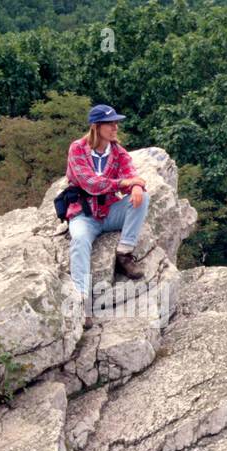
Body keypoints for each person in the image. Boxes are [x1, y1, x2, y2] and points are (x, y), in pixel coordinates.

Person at [66, 104, 150, 327]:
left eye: (116, 123)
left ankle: (124, 253)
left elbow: (131, 172)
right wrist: (124, 183)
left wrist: (136, 187)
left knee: (143, 198)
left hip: (109, 213)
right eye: (110, 123)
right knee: (80, 240)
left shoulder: (117, 151)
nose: (115, 127)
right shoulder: (77, 149)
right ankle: (83, 301)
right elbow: (90, 183)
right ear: (96, 127)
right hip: (84, 215)